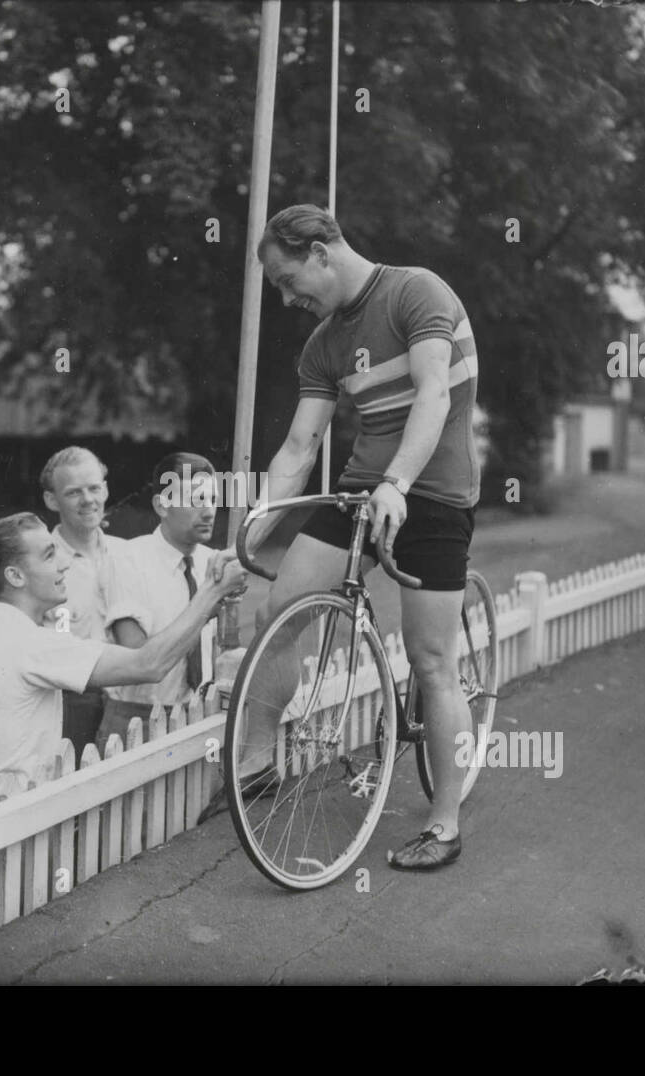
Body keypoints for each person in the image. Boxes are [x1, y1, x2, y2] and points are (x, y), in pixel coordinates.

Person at [208, 204, 481, 870]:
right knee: (281, 612)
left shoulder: (417, 292)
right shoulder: (324, 342)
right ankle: (257, 763)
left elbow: (433, 395)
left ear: (323, 252)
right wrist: (254, 525)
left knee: (432, 662)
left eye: (287, 277)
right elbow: (301, 445)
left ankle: (443, 824)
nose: (285, 296)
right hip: (360, 491)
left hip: (434, 495)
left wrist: (399, 483)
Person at [0, 512, 247, 802]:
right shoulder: (29, 643)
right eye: (49, 556)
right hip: (16, 821)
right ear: (14, 576)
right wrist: (211, 591)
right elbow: (148, 665)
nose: (64, 564)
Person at [95, 452, 220, 753]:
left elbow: (220, 648)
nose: (209, 511)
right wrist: (208, 600)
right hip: (137, 721)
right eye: (195, 499)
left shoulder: (211, 562)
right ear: (161, 505)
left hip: (199, 715)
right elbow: (139, 658)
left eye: (213, 499)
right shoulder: (128, 560)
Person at [38, 446, 128, 762]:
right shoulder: (41, 565)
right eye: (74, 492)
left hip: (128, 704)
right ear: (52, 500)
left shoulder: (128, 555)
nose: (88, 499)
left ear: (105, 488)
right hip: (71, 709)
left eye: (94, 488)